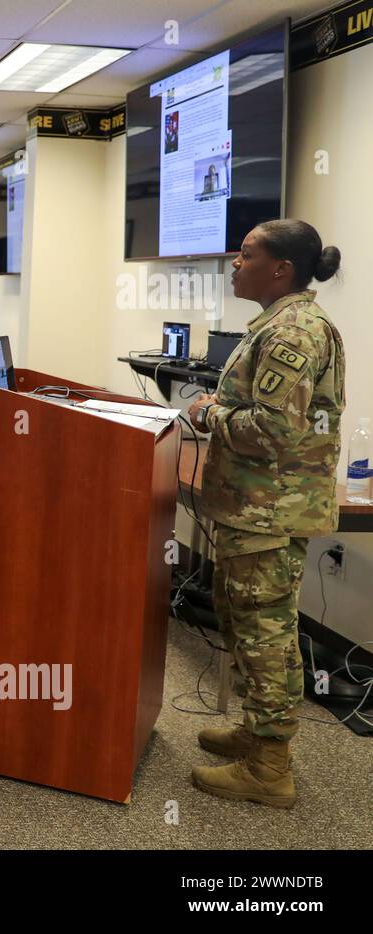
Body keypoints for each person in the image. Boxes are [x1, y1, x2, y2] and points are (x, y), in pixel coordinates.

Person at [184, 220, 345, 809]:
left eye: (246, 254)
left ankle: (271, 768)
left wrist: (208, 415)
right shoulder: (277, 324)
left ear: (280, 269)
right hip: (253, 506)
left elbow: (273, 428)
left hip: (269, 510)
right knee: (241, 619)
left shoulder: (294, 332)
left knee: (264, 633)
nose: (234, 262)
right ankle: (257, 734)